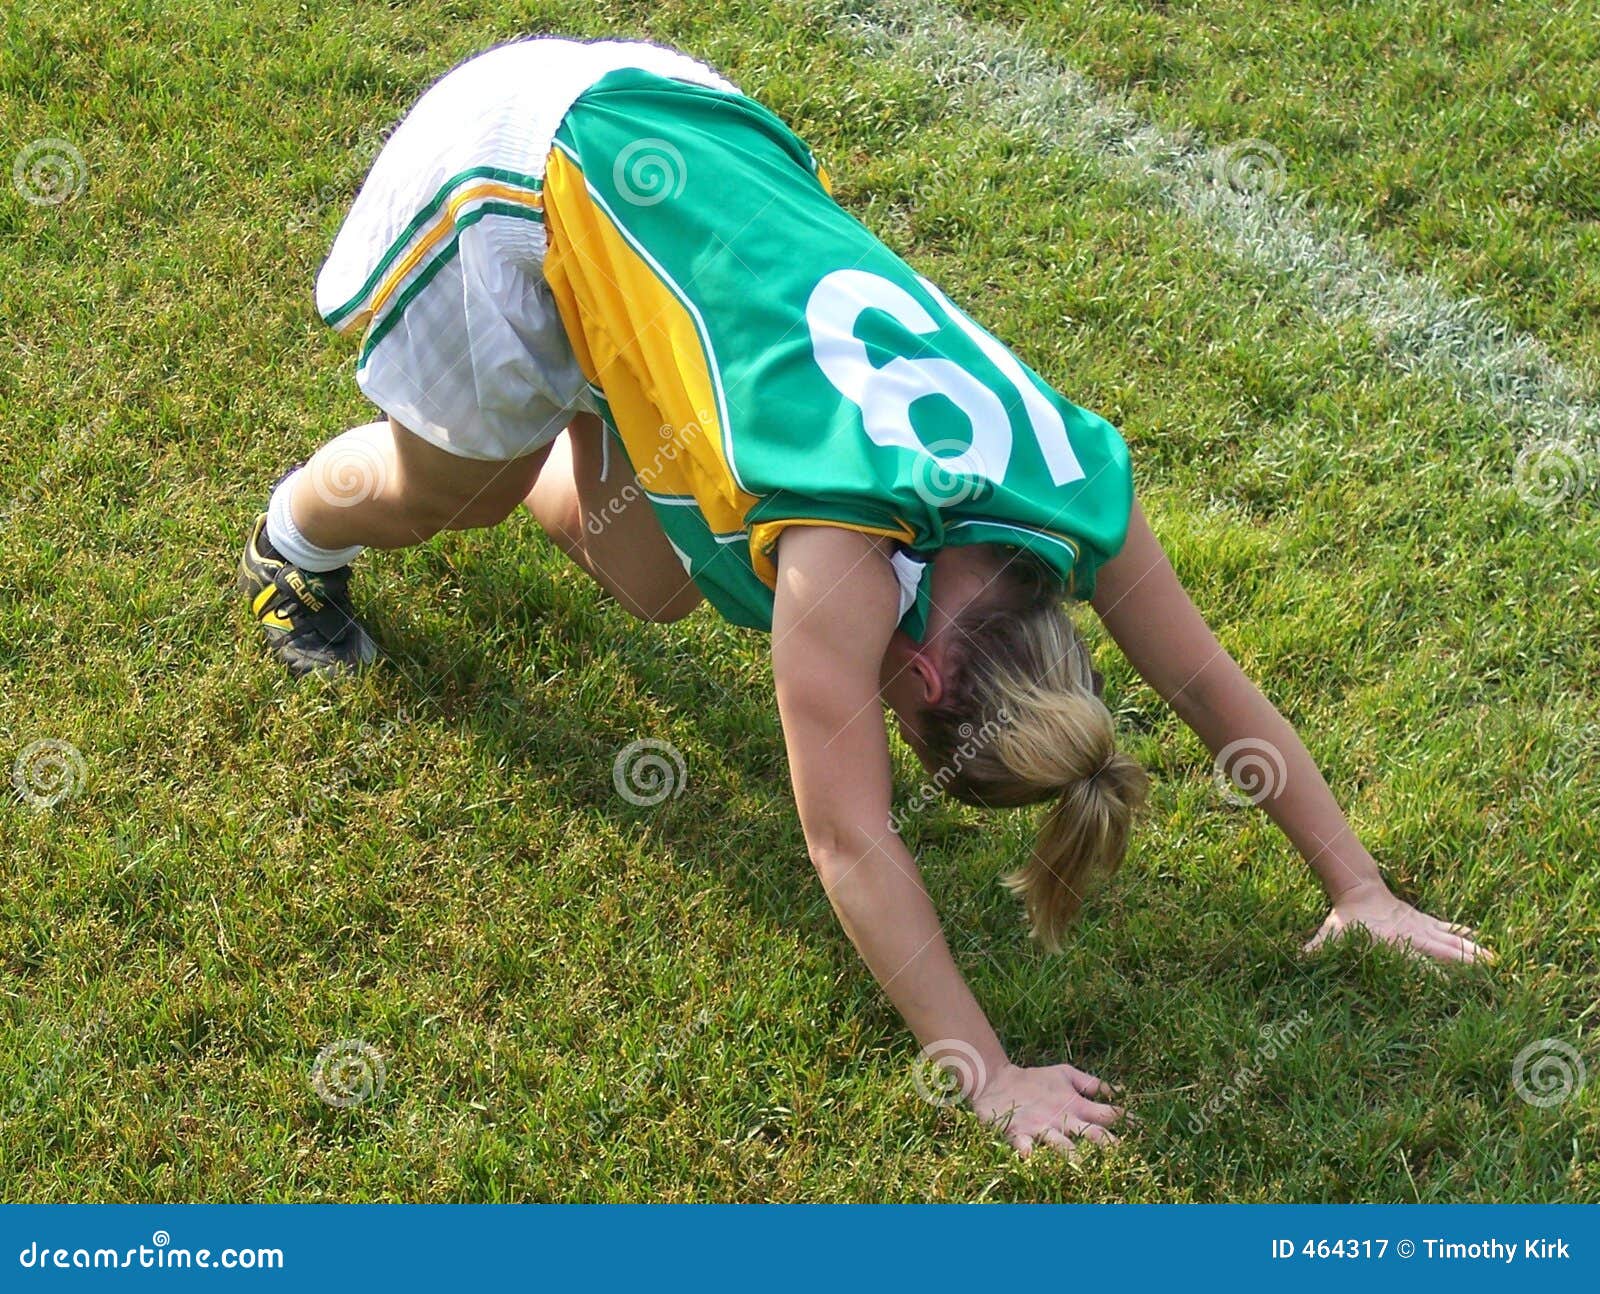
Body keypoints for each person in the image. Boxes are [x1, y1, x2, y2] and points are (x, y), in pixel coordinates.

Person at [239, 37, 1490, 1156]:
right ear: (929, 682)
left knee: (655, 579)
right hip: (522, 161)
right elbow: (848, 839)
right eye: (907, 735)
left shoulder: (1071, 492)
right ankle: (291, 540)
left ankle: (617, 361)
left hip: (687, 116)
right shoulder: (838, 553)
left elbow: (1207, 684)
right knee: (460, 491)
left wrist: (1357, 887)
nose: (883, 731)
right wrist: (987, 1072)